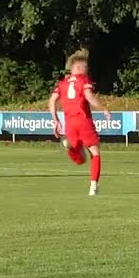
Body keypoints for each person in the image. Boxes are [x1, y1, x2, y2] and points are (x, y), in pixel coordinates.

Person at [48, 50, 110, 196]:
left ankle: (69, 146)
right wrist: (103, 109)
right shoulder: (84, 80)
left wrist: (55, 120)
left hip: (69, 121)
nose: (86, 69)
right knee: (95, 152)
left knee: (80, 159)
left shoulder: (62, 83)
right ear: (78, 68)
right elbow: (89, 97)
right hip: (83, 120)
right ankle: (93, 186)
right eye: (85, 67)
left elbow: (52, 101)